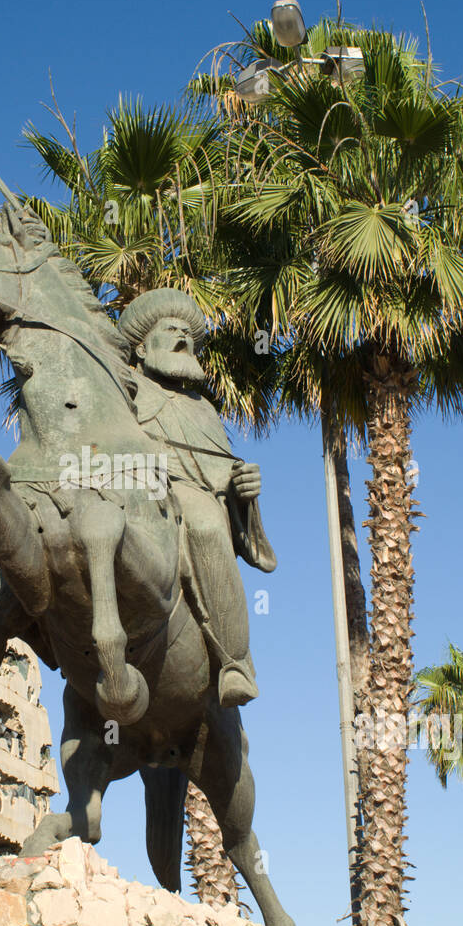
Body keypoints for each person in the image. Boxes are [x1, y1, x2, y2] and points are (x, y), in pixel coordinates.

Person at [118, 287, 276, 708]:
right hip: (122, 485)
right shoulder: (121, 388)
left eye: (188, 331)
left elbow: (221, 480)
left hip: (185, 498)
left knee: (206, 520)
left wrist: (243, 490)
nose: (182, 336)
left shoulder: (204, 408)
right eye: (171, 329)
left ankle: (235, 662)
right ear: (140, 347)